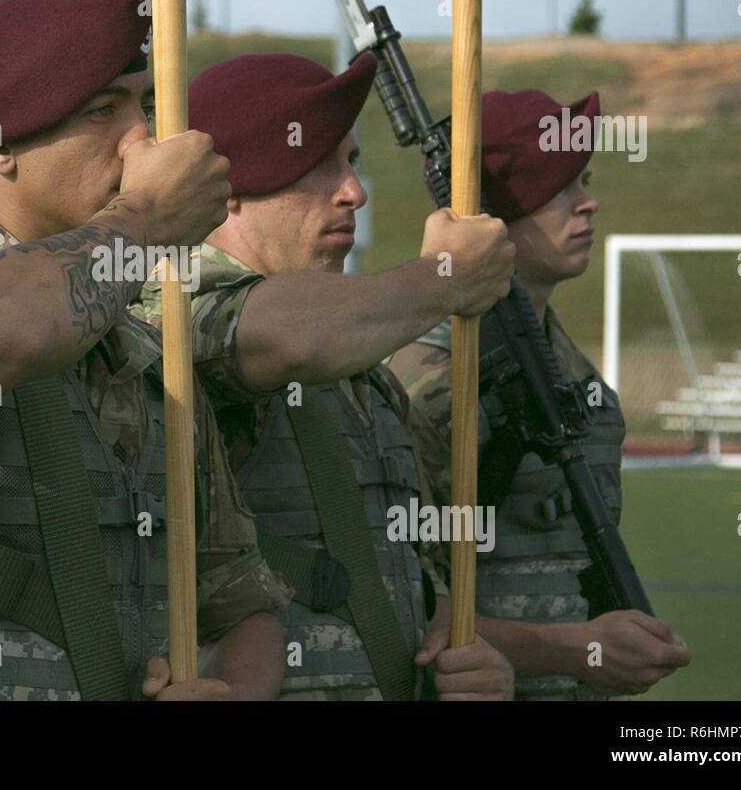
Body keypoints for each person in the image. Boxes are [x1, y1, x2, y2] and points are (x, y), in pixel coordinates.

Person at [0, 0, 291, 701]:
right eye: (102, 110)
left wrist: (229, 689)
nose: (142, 139)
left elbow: (240, 598)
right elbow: (0, 336)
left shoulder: (153, 359)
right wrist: (148, 219)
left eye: (143, 105)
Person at [132, 51, 517, 699]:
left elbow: (408, 583)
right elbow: (276, 336)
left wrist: (474, 663)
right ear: (232, 192)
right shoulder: (171, 310)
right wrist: (443, 280)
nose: (354, 192)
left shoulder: (363, 372)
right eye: (320, 164)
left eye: (354, 162)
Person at [389, 88, 692, 699]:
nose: (589, 204)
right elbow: (403, 599)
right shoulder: (432, 373)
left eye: (586, 180)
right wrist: (578, 651)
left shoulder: (569, 368)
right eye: (561, 188)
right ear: (497, 213)